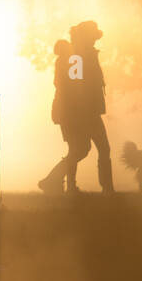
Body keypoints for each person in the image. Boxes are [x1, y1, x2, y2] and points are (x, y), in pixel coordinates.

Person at [68, 20, 114, 193]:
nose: (95, 40)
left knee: (80, 150)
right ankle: (106, 187)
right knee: (99, 148)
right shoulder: (77, 56)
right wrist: (82, 108)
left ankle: (74, 185)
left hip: (89, 110)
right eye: (92, 36)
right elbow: (74, 84)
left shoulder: (81, 54)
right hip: (86, 112)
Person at [38, 40, 90, 192]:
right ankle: (55, 181)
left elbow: (58, 84)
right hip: (72, 112)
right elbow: (77, 85)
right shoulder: (75, 60)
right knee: (80, 149)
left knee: (75, 150)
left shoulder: (60, 62)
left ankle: (60, 182)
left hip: (64, 111)